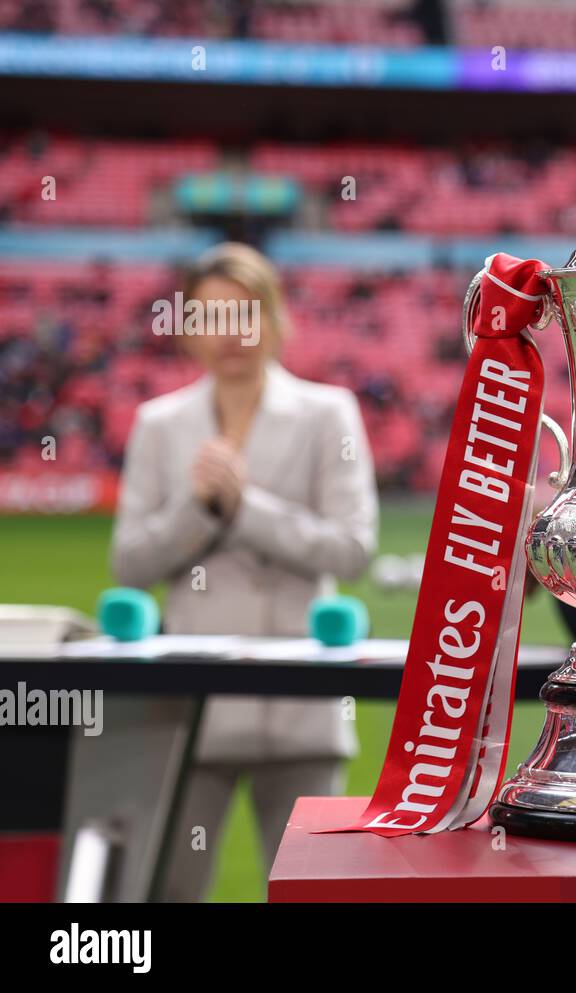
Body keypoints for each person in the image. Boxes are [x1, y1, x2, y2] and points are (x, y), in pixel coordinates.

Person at [111, 242, 378, 900]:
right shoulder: (159, 423)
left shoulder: (326, 412)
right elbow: (130, 563)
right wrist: (200, 509)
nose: (228, 334)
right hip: (191, 702)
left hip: (301, 699)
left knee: (306, 894)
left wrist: (243, 506)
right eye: (207, 317)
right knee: (170, 891)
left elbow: (352, 548)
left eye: (243, 313)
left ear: (275, 317)